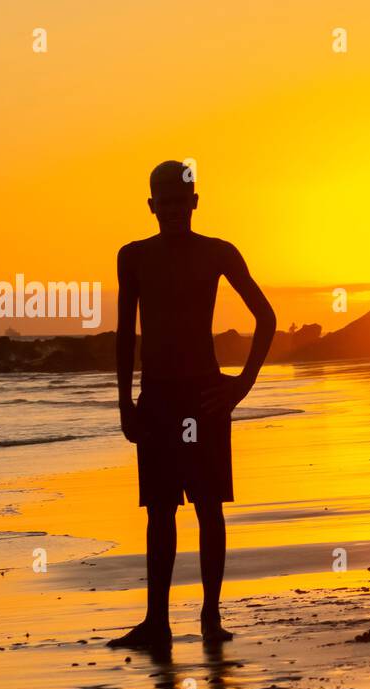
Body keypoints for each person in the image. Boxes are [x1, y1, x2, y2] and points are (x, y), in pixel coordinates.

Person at [112, 161, 276, 650]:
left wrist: (241, 385)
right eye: (165, 202)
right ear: (152, 206)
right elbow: (126, 336)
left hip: (205, 397)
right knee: (159, 511)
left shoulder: (217, 253)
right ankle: (156, 622)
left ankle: (211, 617)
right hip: (158, 397)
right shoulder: (134, 257)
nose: (174, 210)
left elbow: (266, 318)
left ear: (195, 202)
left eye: (182, 201)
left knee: (209, 508)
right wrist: (124, 404)